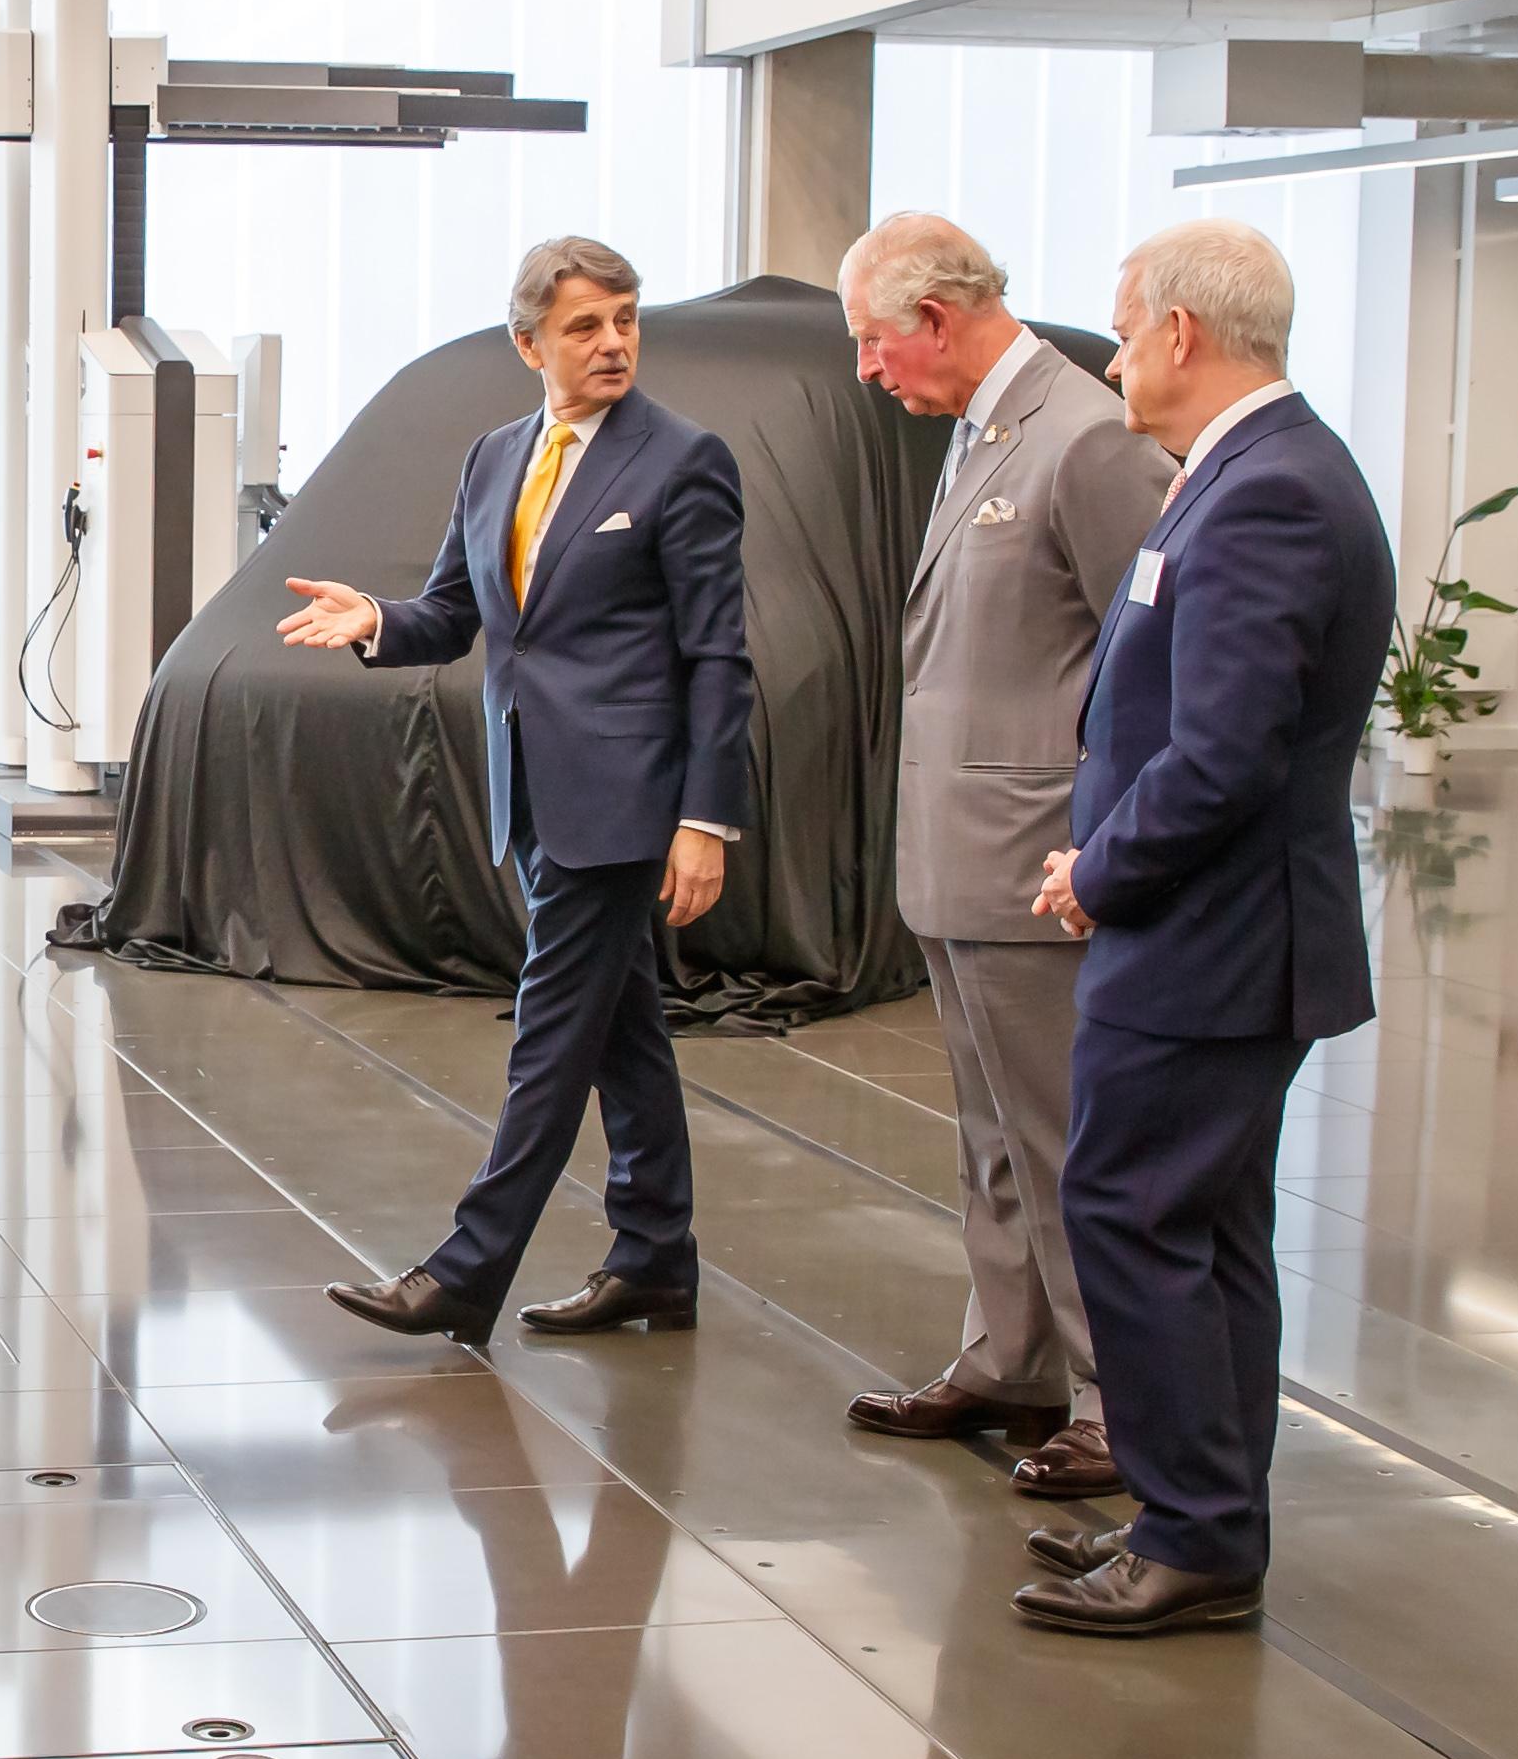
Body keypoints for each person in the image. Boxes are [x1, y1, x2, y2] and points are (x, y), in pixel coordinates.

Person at [1015, 219, 1394, 1638]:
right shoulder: (1243, 475)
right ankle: (1204, 1518)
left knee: (1136, 1212)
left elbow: (1227, 754)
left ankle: (1195, 1536)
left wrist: (1105, 870)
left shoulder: (1267, 493)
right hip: (1216, 930)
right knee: (1207, 1229)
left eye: (1123, 329)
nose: (1114, 357)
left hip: (1209, 939)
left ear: (1181, 331)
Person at [282, 237, 755, 1345]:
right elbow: (456, 613)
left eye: (625, 320)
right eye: (585, 326)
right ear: (527, 343)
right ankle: (654, 1257)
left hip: (629, 798)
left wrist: (702, 817)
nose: (612, 344)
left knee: (551, 1031)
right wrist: (377, 623)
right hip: (533, 790)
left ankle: (466, 1268)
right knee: (623, 1029)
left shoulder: (684, 461)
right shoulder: (496, 454)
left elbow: (719, 654)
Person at [834, 214, 1172, 1505]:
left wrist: (1099, 846)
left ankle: (1111, 1404)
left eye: (875, 344)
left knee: (1065, 1145)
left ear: (935, 318)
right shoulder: (984, 431)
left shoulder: (1083, 438)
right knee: (990, 1143)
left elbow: (1144, 667)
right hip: (962, 857)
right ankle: (1012, 1357)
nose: (871, 372)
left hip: (1039, 863)